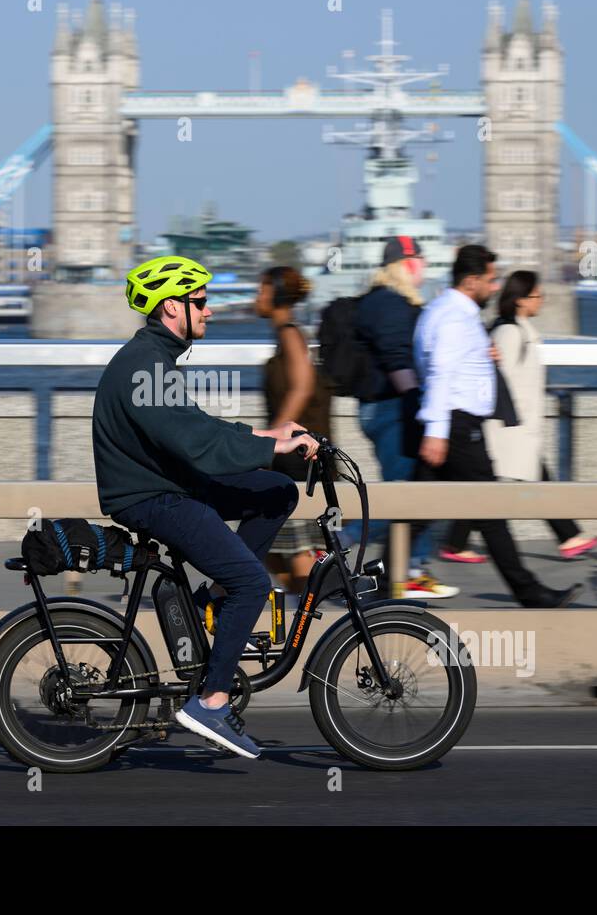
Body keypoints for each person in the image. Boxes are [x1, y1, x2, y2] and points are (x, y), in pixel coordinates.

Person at [95, 255, 317, 758]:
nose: (210, 311)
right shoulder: (145, 368)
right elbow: (197, 444)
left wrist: (271, 435)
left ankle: (208, 599)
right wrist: (271, 446)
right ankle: (210, 703)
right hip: (153, 497)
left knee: (276, 492)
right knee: (254, 582)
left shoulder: (155, 360)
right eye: (201, 302)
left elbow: (198, 429)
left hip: (172, 483)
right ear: (172, 307)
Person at [413, 245, 582, 608]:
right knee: (489, 512)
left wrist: (481, 354)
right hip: (458, 427)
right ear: (471, 280)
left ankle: (370, 573)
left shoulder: (445, 311)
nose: (494, 288)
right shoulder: (455, 318)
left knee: (416, 509)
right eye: (490, 280)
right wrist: (438, 431)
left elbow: (442, 365)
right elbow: (441, 372)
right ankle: (528, 590)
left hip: (454, 424)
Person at [442, 270, 597, 562]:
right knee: (504, 487)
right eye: (537, 295)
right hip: (509, 428)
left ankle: (456, 541)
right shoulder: (510, 333)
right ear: (520, 300)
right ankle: (568, 536)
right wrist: (513, 420)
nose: (542, 301)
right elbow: (498, 381)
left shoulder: (520, 331)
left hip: (519, 428)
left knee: (505, 486)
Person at [343, 236, 457, 598]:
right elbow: (397, 359)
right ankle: (341, 539)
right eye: (421, 260)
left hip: (390, 406)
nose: (425, 267)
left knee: (414, 489)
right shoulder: (389, 304)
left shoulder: (389, 302)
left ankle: (411, 568)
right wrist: (418, 406)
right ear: (406, 264)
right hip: (392, 408)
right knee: (404, 495)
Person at [255, 266, 331, 597]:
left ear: (276, 295)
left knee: (297, 551)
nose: (257, 297)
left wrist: (276, 439)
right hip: (294, 460)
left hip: (300, 461)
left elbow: (302, 386)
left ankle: (310, 625)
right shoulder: (286, 334)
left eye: (261, 290)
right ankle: (303, 613)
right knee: (269, 548)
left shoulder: (289, 332)